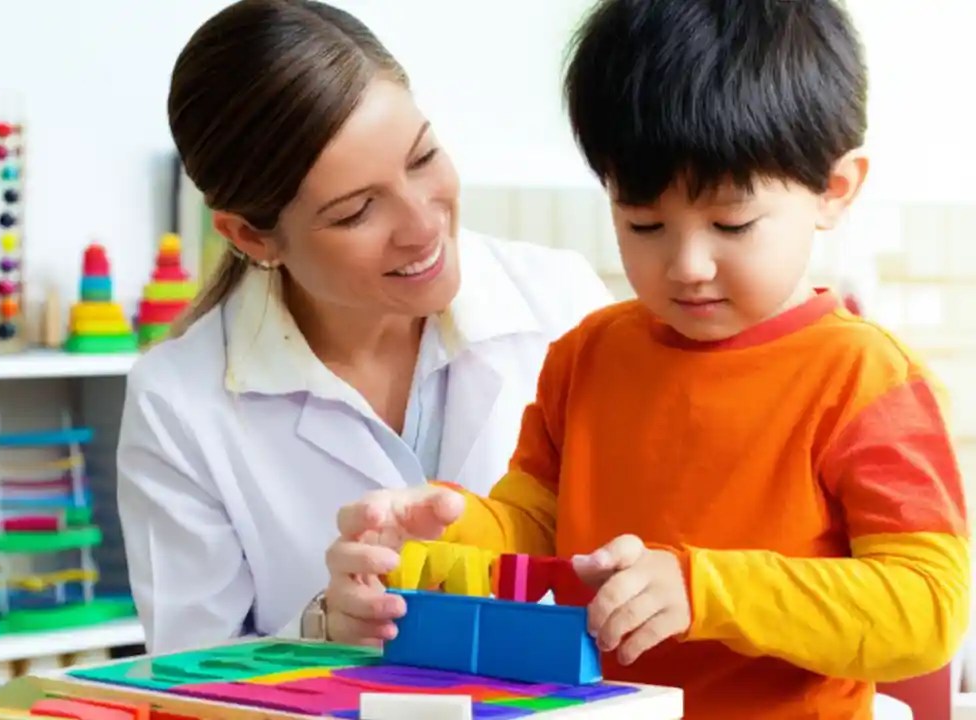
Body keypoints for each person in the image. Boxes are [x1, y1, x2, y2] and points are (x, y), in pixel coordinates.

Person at [322, 1, 970, 718]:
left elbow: (928, 609)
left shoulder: (866, 380)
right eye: (645, 223)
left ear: (834, 190)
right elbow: (532, 535)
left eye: (731, 223)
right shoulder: (588, 356)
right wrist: (445, 534)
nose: (687, 264)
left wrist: (702, 592)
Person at [115, 0, 612, 655]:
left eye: (423, 157)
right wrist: (325, 628)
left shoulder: (561, 303)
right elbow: (192, 673)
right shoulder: (178, 400)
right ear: (250, 236)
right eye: (355, 213)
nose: (422, 225)